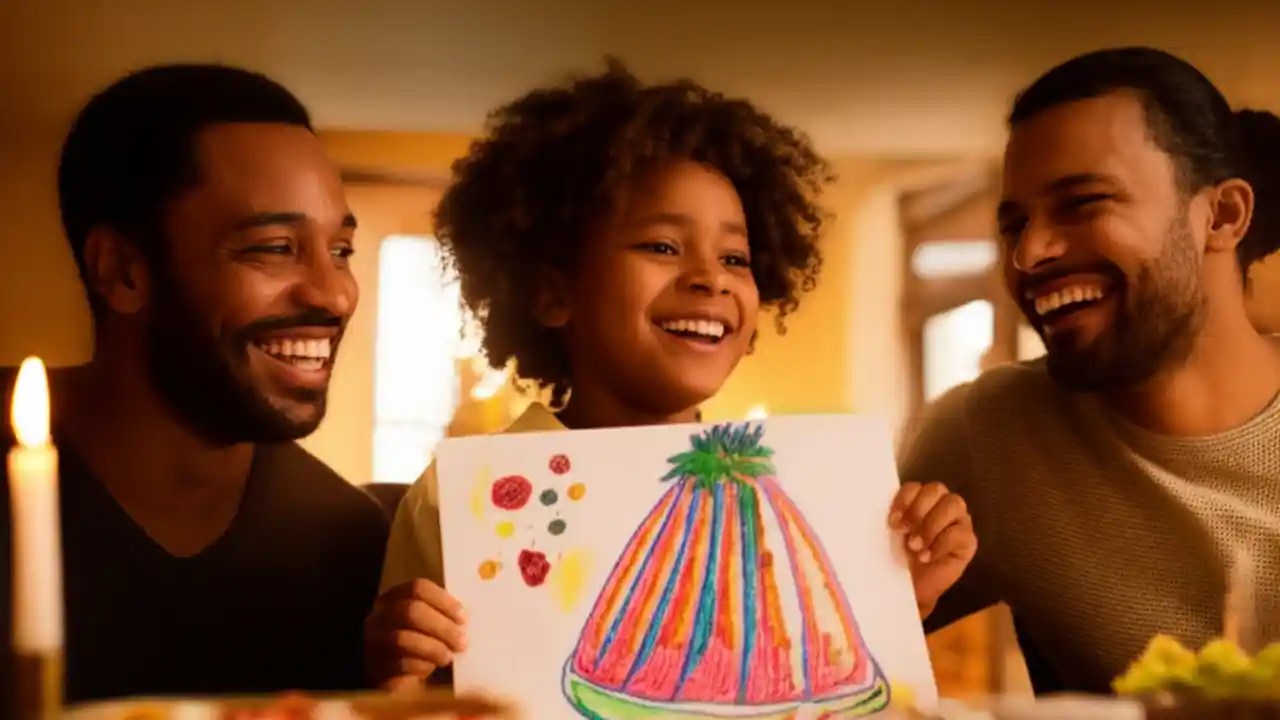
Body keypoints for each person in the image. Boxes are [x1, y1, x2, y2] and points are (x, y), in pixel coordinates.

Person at [364, 61, 978, 691]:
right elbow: (422, 692)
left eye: (735, 257)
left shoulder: (798, 500)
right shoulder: (455, 500)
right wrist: (399, 674)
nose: (711, 277)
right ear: (552, 293)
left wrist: (905, 597)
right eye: (661, 246)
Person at [0, 64, 389, 704]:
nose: (336, 294)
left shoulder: (347, 544)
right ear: (123, 272)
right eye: (274, 247)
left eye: (340, 249)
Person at [901, 47, 1280, 694]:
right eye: (1014, 224)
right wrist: (893, 609)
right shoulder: (987, 434)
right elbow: (807, 661)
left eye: (1083, 203)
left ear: (1222, 215)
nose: (1030, 253)